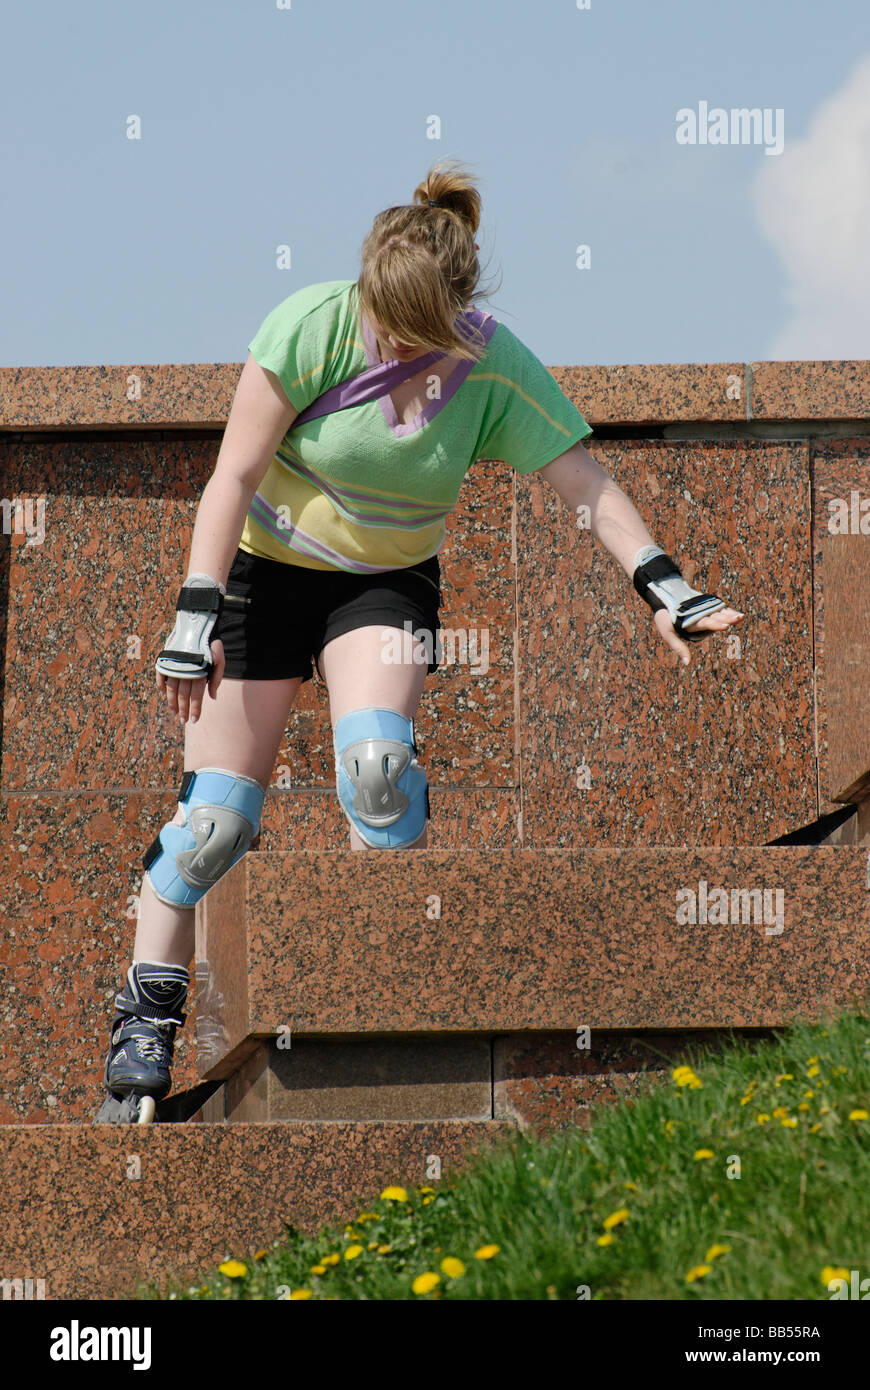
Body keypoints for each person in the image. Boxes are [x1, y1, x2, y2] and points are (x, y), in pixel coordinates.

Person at [95, 158, 744, 1123]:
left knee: (376, 771)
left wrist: (669, 589)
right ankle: (144, 1034)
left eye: (413, 328)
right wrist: (194, 616)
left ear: (456, 310)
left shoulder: (492, 362)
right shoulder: (310, 326)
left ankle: (389, 983)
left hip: (383, 583)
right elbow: (230, 477)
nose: (389, 341)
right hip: (262, 576)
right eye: (381, 321)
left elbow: (586, 486)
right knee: (214, 825)